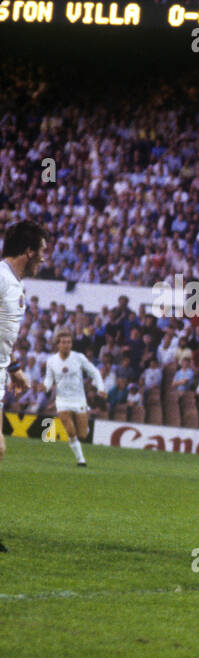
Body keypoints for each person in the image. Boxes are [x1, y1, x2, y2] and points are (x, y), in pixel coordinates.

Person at [0, 220, 50, 553]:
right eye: (42, 251)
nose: (44, 258)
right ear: (28, 251)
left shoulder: (14, 283)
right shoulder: (2, 278)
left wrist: (14, 367)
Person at [41, 330, 106, 467]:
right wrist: (45, 387)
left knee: (82, 434)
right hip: (62, 401)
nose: (66, 345)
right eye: (63, 342)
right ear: (58, 344)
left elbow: (95, 372)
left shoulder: (79, 357)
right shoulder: (51, 361)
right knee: (70, 431)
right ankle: (81, 460)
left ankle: (83, 423)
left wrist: (100, 388)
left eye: (69, 342)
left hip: (79, 400)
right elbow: (48, 380)